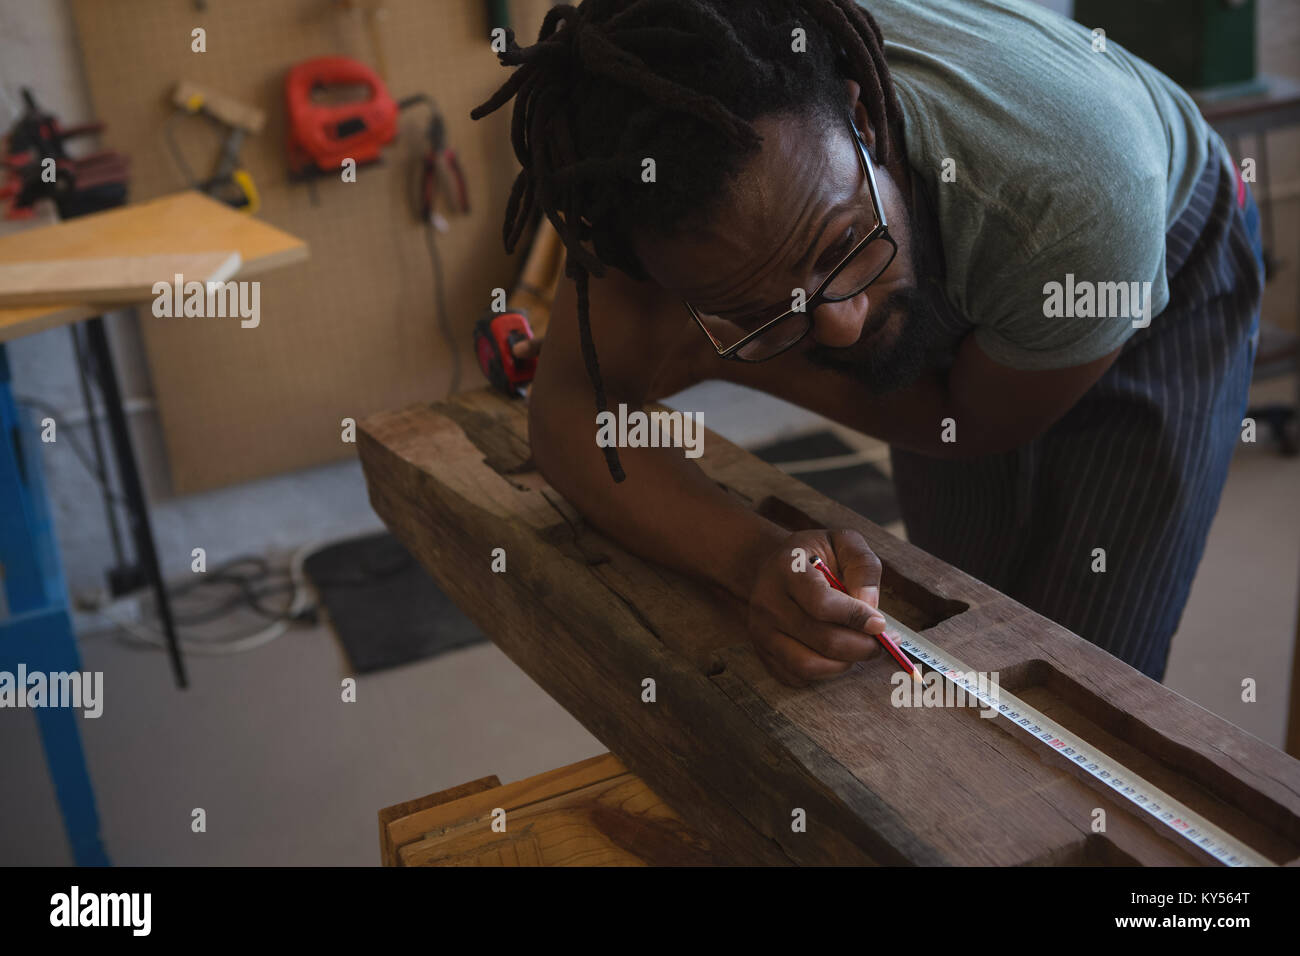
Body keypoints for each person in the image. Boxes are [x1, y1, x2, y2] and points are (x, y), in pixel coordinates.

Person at [471, 0, 1265, 685]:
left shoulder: (1074, 196)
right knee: (953, 607)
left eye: (838, 246)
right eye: (759, 304)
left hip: (1156, 249)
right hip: (962, 228)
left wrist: (717, 354)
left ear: (866, 119)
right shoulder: (658, 196)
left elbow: (974, 422)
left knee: (1095, 661)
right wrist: (754, 560)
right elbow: (572, 412)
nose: (841, 323)